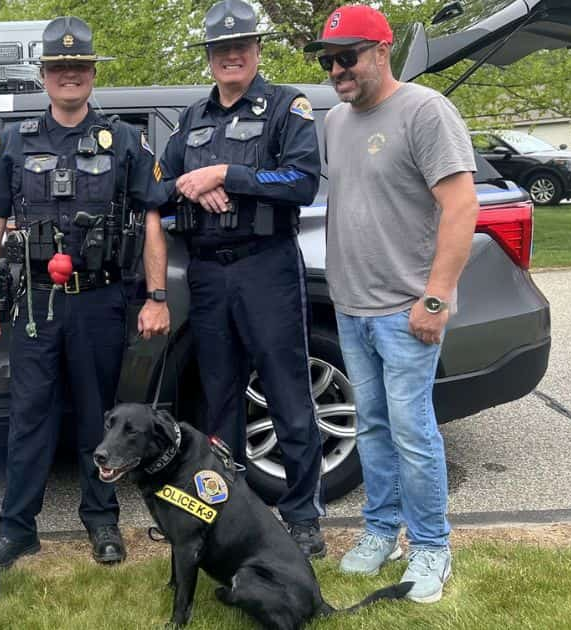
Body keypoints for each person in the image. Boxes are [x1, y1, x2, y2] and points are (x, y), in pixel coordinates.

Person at [0, 16, 170, 569]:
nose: (70, 75)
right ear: (43, 76)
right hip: (36, 304)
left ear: (92, 73)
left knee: (97, 416)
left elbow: (153, 220)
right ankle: (17, 528)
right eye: (59, 67)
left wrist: (156, 296)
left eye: (79, 66)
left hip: (100, 300)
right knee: (29, 415)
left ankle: (102, 520)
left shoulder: (126, 141)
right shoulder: (13, 142)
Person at [306, 4, 479, 604]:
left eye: (347, 56)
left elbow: (461, 207)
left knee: (412, 430)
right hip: (350, 307)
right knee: (372, 427)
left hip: (406, 310)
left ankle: (431, 546)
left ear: (382, 50)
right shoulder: (335, 123)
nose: (337, 69)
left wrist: (435, 297)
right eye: (329, 60)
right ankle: (381, 530)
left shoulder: (426, 111)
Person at [156, 0, 325, 557]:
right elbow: (162, 185)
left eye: (242, 46)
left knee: (287, 393)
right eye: (221, 48)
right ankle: (229, 513)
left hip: (266, 267)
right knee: (218, 400)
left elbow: (301, 181)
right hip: (208, 272)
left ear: (256, 51)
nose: (232, 55)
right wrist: (195, 184)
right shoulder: (192, 117)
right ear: (208, 57)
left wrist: (229, 173)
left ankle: (303, 516)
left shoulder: (286, 107)